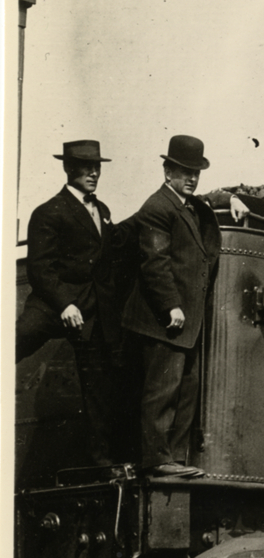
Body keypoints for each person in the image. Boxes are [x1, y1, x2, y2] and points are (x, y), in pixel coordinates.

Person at [121, 135, 224, 478]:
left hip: (185, 323)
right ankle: (156, 459)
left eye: (196, 172)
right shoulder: (158, 207)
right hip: (164, 320)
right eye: (184, 172)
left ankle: (174, 458)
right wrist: (170, 306)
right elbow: (155, 262)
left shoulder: (186, 204)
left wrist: (232, 198)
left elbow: (207, 200)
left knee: (186, 390)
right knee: (162, 391)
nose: (192, 178)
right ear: (168, 171)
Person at [16, 140, 124, 464]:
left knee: (98, 388)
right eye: (85, 167)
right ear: (68, 168)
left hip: (91, 310)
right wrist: (64, 304)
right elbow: (40, 269)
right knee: (19, 338)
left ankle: (101, 463)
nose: (93, 173)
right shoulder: (48, 212)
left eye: (97, 167)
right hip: (53, 305)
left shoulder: (102, 211)